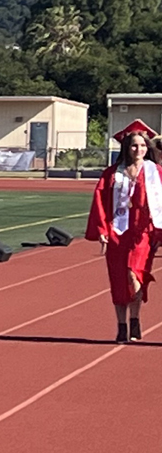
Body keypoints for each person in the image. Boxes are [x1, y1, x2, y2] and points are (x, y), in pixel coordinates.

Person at [86, 120, 160, 343]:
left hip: (144, 233)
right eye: (135, 146)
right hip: (118, 231)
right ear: (127, 148)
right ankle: (122, 325)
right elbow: (100, 201)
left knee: (134, 274)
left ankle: (135, 318)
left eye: (143, 145)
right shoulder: (111, 174)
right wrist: (101, 229)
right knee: (118, 279)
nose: (140, 150)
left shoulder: (156, 172)